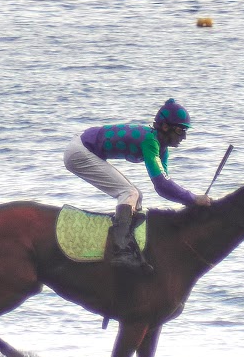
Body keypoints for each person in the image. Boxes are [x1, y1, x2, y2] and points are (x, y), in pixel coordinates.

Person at [63, 98, 211, 271]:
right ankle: (120, 251)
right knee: (129, 193)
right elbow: (162, 184)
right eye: (180, 131)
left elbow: (164, 187)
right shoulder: (150, 141)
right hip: (79, 151)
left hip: (84, 147)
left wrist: (191, 202)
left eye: (185, 131)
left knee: (136, 196)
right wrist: (193, 199)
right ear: (165, 127)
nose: (184, 137)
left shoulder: (161, 147)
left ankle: (132, 251)